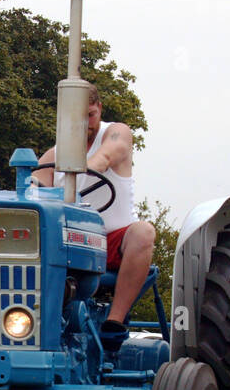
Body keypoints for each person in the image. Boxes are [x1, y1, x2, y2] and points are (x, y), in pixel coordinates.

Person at [31, 82, 145, 352]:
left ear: (99, 109)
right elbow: (32, 183)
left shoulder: (116, 133)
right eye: (77, 117)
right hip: (68, 242)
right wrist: (34, 184)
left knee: (144, 232)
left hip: (111, 242)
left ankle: (114, 323)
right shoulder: (56, 154)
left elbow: (106, 156)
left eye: (90, 115)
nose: (86, 123)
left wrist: (76, 172)